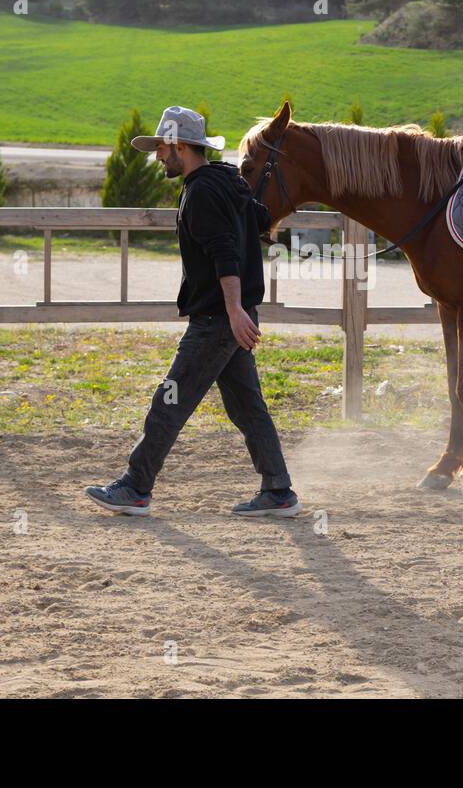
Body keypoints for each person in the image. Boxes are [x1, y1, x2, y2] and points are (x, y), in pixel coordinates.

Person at [85, 106, 302, 518]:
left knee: (169, 400)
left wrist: (235, 311)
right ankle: (278, 490)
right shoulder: (229, 182)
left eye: (161, 148)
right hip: (235, 316)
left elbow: (224, 253)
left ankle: (135, 487)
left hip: (219, 320)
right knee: (246, 406)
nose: (157, 156)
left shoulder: (202, 191)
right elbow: (260, 220)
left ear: (181, 146)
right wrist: (243, 312)